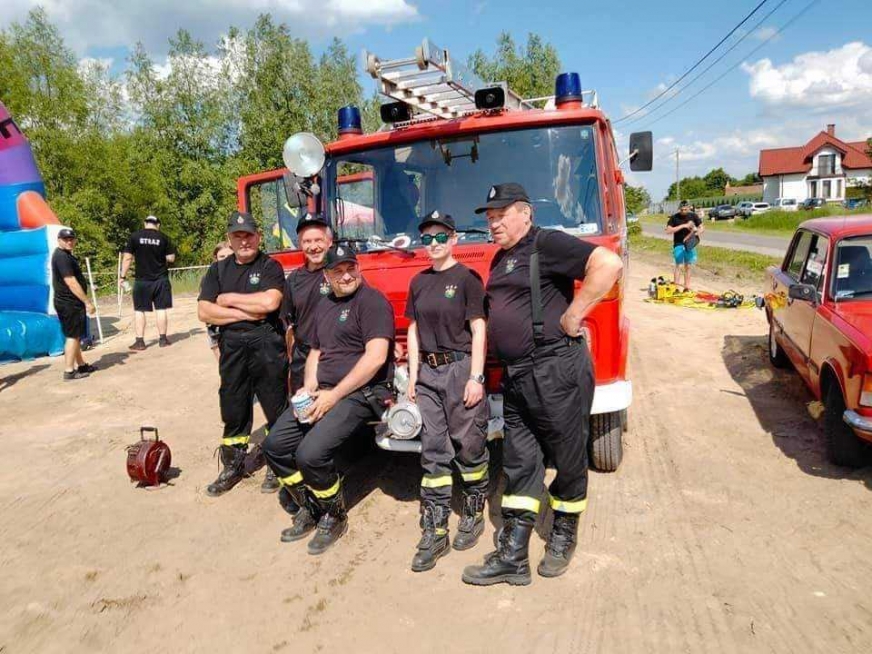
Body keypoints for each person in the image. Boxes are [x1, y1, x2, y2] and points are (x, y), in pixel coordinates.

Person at [461, 183, 623, 586]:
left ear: (525, 213)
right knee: (519, 462)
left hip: (554, 370)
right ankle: (513, 555)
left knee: (568, 457)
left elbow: (608, 264)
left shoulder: (546, 243)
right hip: (517, 376)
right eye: (489, 217)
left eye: (500, 215)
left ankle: (564, 533)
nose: (492, 223)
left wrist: (574, 316)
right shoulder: (502, 258)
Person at [262, 245, 395, 555]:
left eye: (351, 268)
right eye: (338, 271)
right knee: (275, 447)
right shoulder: (324, 305)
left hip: (360, 393)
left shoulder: (372, 302)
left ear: (358, 268)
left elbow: (376, 358)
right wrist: (309, 386)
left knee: (310, 454)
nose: (346, 275)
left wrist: (333, 396)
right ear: (327, 276)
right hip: (324, 389)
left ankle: (334, 516)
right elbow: (315, 352)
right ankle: (309, 503)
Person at [405, 210, 489, 572]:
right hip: (428, 373)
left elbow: (479, 329)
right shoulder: (418, 282)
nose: (434, 244)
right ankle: (435, 527)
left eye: (441, 237)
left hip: (460, 369)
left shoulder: (467, 278)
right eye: (427, 238)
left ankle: (473, 509)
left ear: (454, 239)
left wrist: (476, 377)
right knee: (433, 449)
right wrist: (412, 376)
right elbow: (412, 330)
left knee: (469, 443)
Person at [197, 211, 288, 497]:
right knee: (234, 406)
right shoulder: (218, 270)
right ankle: (233, 465)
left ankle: (277, 464)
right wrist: (247, 313)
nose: (244, 240)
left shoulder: (271, 266)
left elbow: (270, 303)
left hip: (266, 345)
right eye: (238, 236)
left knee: (275, 406)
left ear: (258, 237)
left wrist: (228, 301)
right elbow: (204, 311)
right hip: (233, 346)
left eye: (249, 235)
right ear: (230, 240)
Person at [280, 214, 333, 393]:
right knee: (303, 414)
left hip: (335, 355)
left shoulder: (343, 274)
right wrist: (292, 358)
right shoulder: (293, 281)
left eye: (318, 240)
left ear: (329, 242)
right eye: (307, 241)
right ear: (300, 244)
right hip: (302, 358)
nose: (313, 247)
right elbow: (289, 328)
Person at [121, 215, 177, 350]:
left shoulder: (135, 237)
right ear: (158, 225)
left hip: (142, 280)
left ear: (145, 223)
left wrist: (122, 276)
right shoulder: (164, 238)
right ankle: (163, 339)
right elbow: (171, 258)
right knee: (161, 309)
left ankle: (140, 342)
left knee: (140, 310)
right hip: (161, 279)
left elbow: (127, 258)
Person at [51, 228, 97, 380]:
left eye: (71, 239)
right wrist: (87, 302)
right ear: (59, 240)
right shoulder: (62, 257)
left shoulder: (65, 255)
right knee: (72, 336)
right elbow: (70, 281)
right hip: (69, 303)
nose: (69, 241)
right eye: (66, 239)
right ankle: (69, 371)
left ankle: (81, 365)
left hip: (70, 302)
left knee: (75, 335)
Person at [665, 200, 704, 290]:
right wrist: (684, 226)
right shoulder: (674, 218)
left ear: (689, 208)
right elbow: (668, 230)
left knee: (688, 265)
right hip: (678, 244)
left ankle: (687, 287)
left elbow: (702, 227)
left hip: (689, 244)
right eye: (682, 209)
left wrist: (697, 232)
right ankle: (676, 288)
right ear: (679, 209)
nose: (683, 211)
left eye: (685, 209)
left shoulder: (693, 216)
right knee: (679, 265)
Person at [206, 242, 234, 361]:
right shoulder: (209, 277)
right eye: (222, 257)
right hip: (216, 325)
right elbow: (205, 306)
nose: (226, 259)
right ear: (216, 259)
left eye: (229, 256)